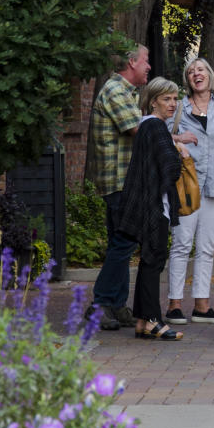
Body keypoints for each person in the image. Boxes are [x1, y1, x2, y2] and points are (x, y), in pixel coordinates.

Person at [165, 58, 214, 325]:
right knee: (182, 243)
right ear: (188, 80)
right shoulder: (179, 108)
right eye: (191, 71)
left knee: (207, 246)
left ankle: (202, 305)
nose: (197, 74)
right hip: (185, 184)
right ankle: (174, 303)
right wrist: (178, 139)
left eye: (201, 70)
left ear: (210, 75)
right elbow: (158, 133)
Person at [114, 77, 184, 341]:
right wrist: (179, 154)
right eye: (166, 99)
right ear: (153, 100)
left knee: (149, 261)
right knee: (154, 259)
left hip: (148, 201)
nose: (172, 104)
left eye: (175, 99)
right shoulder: (156, 127)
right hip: (155, 203)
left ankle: (143, 320)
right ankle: (154, 320)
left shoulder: (145, 126)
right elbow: (169, 165)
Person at [88, 43, 151, 331]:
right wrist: (175, 137)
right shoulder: (114, 91)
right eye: (146, 60)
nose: (149, 66)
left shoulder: (126, 92)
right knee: (124, 242)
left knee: (120, 242)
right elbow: (137, 129)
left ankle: (115, 304)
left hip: (123, 180)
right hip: (119, 181)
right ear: (131, 62)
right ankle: (100, 304)